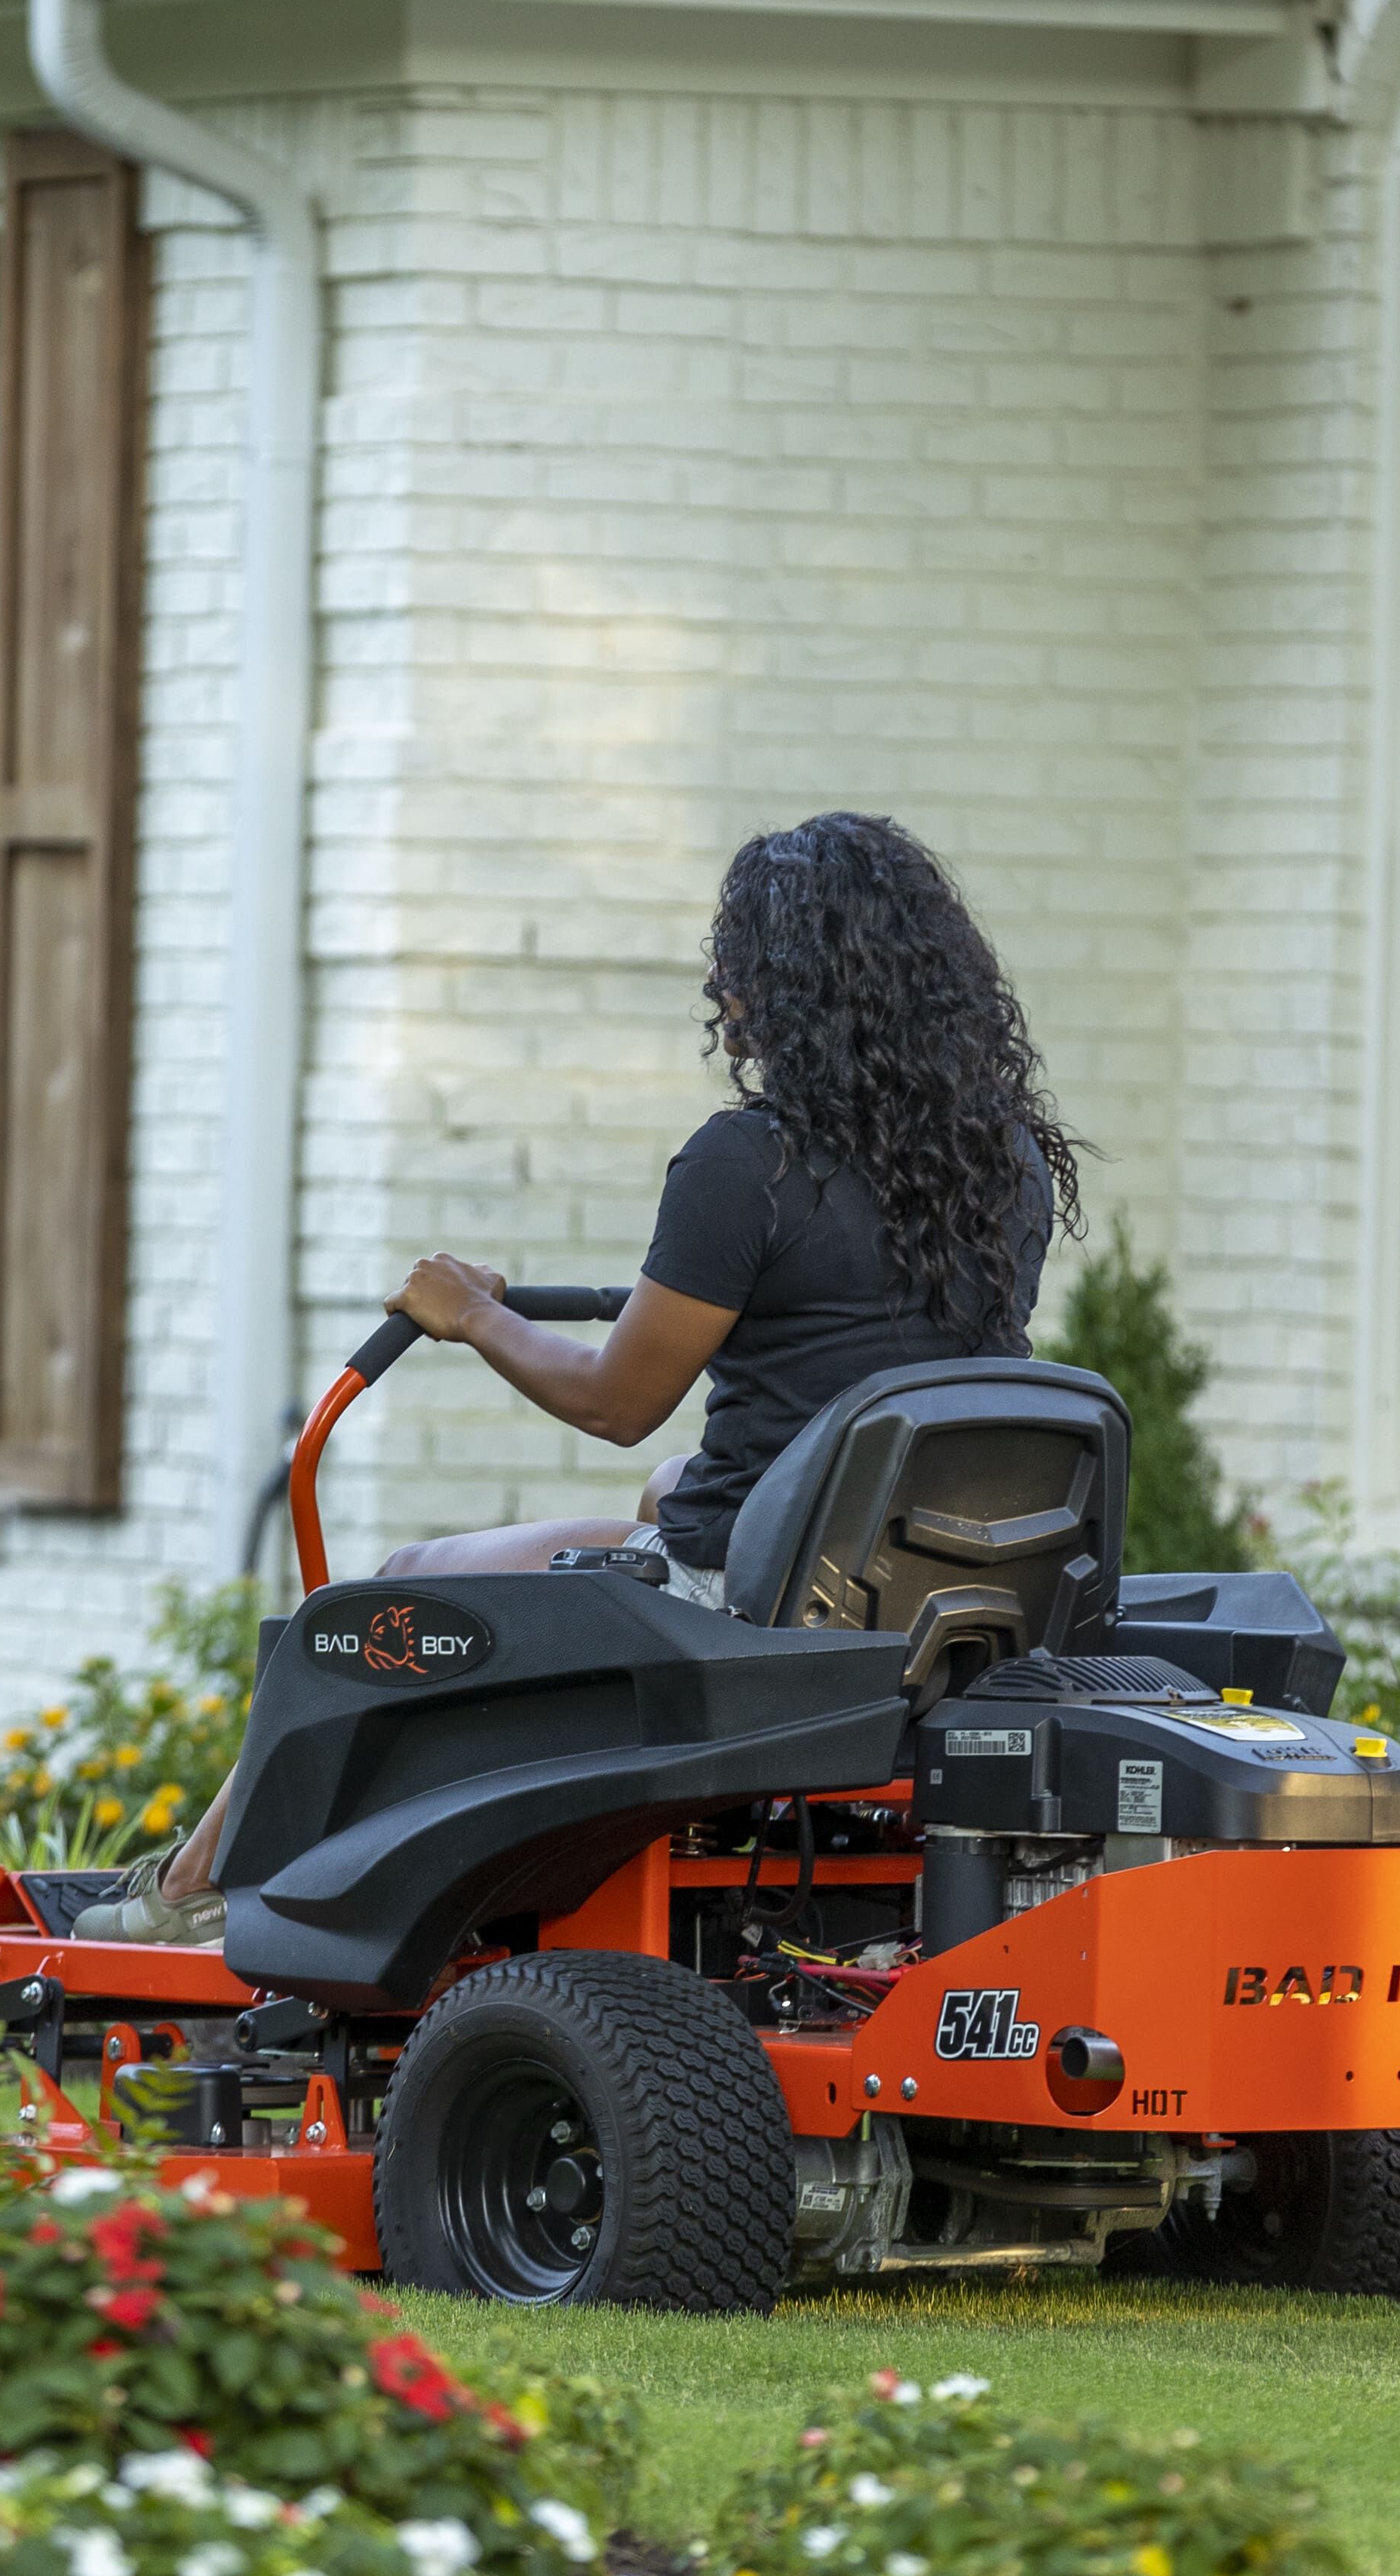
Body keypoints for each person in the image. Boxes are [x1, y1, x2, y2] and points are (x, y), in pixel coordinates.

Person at [93, 811, 1080, 1940]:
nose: (724, 989)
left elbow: (616, 1402)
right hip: (931, 1599)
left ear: (778, 982)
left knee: (387, 1602)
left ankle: (191, 1899)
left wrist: (468, 1316)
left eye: (736, 964)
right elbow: (859, 1378)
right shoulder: (1002, 1164)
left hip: (760, 1607)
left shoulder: (748, 1163)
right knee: (664, 1494)